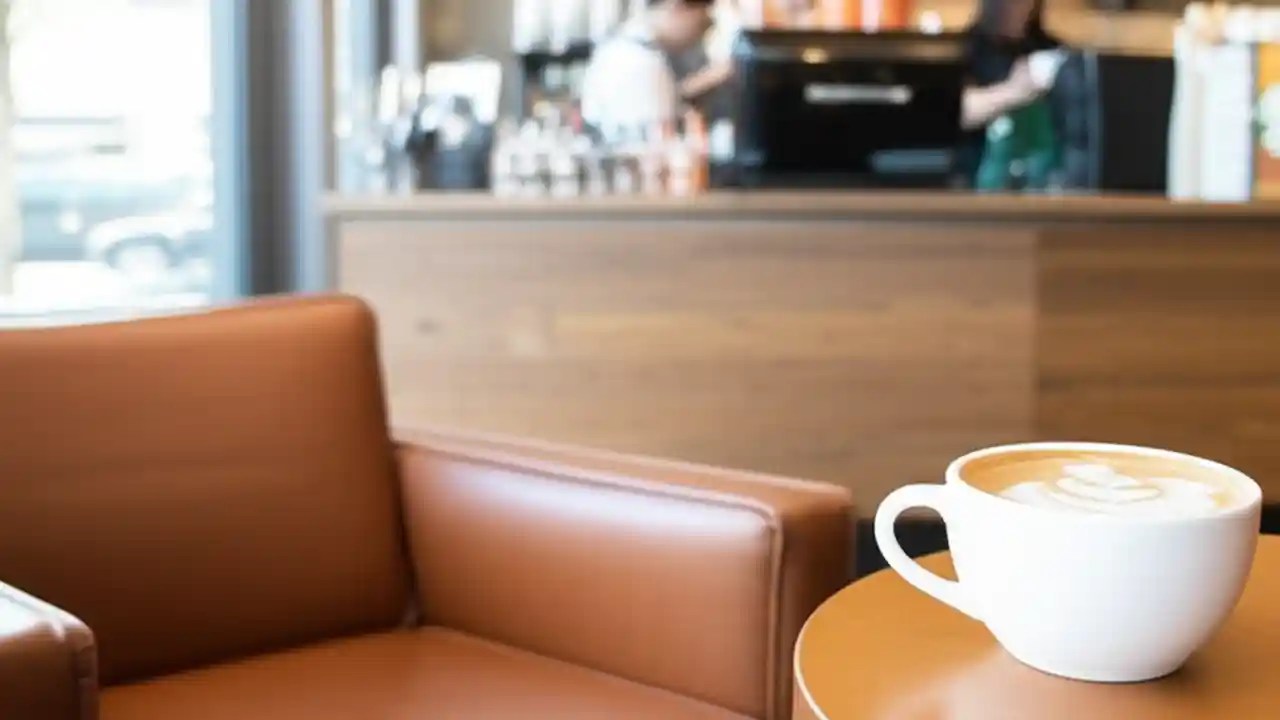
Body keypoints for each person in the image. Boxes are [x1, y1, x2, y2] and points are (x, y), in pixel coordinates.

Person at [959, 0, 1063, 185]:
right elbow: (960, 110)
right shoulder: (964, 48)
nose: (1008, 6)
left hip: (1043, 181)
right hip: (974, 179)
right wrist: (1014, 92)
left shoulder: (1053, 52)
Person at [580, 0, 716, 140]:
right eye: (701, 24)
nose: (698, 37)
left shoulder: (615, 49)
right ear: (677, 7)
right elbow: (657, 148)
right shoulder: (642, 61)